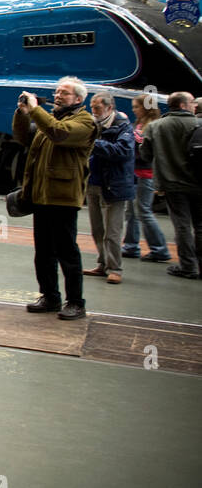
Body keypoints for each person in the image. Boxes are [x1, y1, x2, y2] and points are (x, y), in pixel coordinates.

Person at [15, 77, 97, 319]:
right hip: (42, 196)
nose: (58, 96)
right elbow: (23, 137)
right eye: (57, 92)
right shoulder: (50, 121)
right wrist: (22, 113)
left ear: (79, 99)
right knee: (44, 252)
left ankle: (76, 302)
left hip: (63, 198)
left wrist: (37, 110)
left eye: (65, 93)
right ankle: (50, 296)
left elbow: (59, 135)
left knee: (67, 251)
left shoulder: (85, 122)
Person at [142, 91, 202, 279]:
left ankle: (187, 266)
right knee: (200, 225)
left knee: (182, 225)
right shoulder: (198, 124)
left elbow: (145, 154)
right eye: (193, 103)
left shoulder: (155, 126)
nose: (195, 106)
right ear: (184, 105)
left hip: (171, 183)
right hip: (198, 182)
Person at [83, 91, 135, 284]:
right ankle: (103, 263)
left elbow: (123, 151)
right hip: (94, 183)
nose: (93, 111)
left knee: (112, 231)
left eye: (97, 107)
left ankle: (115, 269)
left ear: (109, 107)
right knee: (97, 229)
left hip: (114, 186)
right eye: (92, 107)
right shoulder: (93, 125)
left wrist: (94, 144)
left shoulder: (123, 127)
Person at [121, 94, 172, 263]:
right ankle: (130, 245)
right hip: (136, 173)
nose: (134, 110)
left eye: (136, 107)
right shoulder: (142, 125)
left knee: (143, 211)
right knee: (132, 212)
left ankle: (159, 249)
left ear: (145, 108)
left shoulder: (151, 127)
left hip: (144, 174)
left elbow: (148, 153)